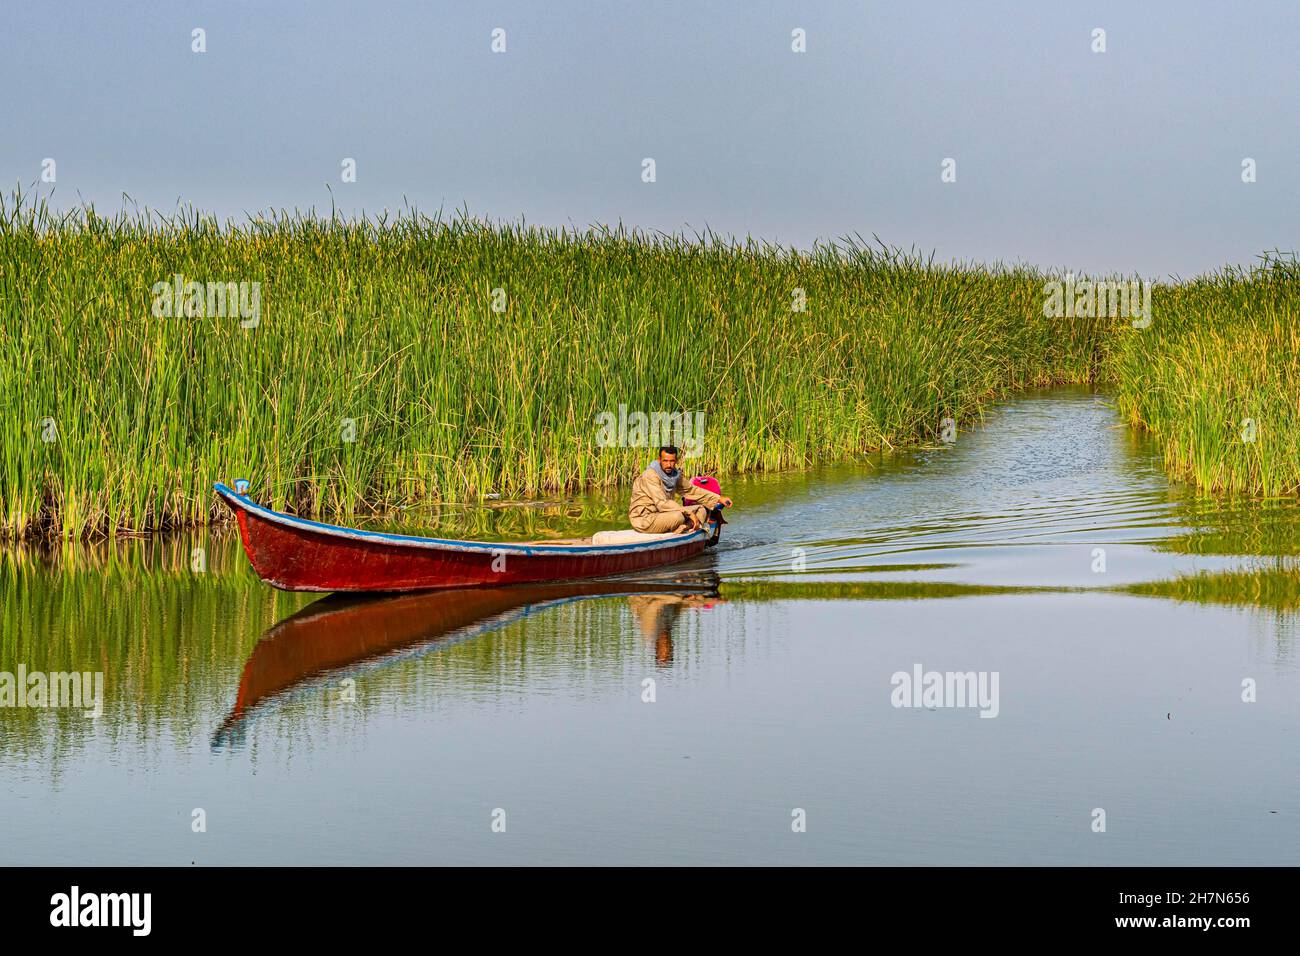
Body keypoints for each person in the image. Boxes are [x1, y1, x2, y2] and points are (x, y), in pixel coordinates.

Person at [629, 446, 732, 534]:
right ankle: (689, 523)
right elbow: (662, 503)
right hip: (644, 519)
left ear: (676, 461)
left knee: (702, 508)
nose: (669, 465)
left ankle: (687, 526)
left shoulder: (674, 474)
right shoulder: (650, 475)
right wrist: (689, 513)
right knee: (679, 516)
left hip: (662, 515)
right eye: (665, 461)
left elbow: (691, 490)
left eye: (672, 461)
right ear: (659, 460)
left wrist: (719, 499)